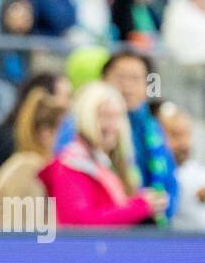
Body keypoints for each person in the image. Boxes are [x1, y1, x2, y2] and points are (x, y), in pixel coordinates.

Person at [39, 80, 165, 226]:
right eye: (104, 116)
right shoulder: (71, 166)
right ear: (86, 117)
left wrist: (143, 204)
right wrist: (139, 207)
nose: (111, 125)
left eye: (116, 117)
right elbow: (78, 225)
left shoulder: (106, 164)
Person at [158, 102, 205, 229]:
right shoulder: (154, 174)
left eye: (187, 134)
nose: (184, 144)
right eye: (175, 135)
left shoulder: (194, 169)